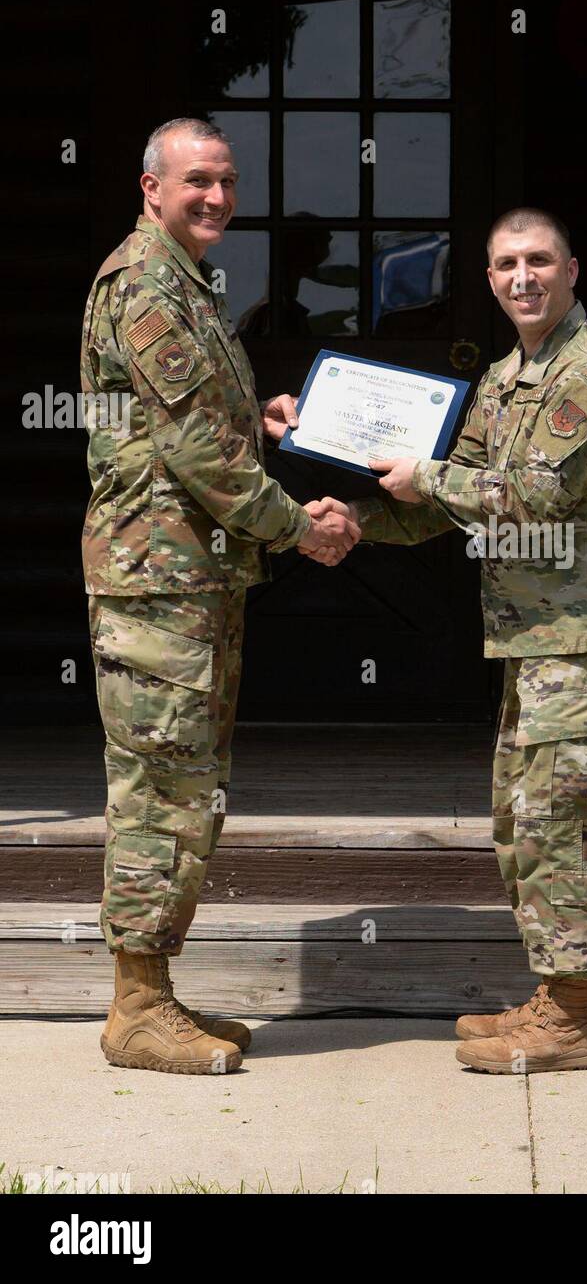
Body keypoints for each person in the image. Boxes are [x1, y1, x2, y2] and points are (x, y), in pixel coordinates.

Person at [306, 209, 587, 1073]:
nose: (522, 277)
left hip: (582, 636)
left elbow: (536, 494)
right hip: (531, 637)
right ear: (490, 278)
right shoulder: (508, 378)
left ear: (572, 270)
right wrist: (351, 500)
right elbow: (444, 496)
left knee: (563, 826)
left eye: (538, 260)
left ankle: (570, 1019)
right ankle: (550, 990)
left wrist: (423, 475)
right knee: (523, 824)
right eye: (505, 265)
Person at [80, 117, 357, 1075]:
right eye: (196, 180)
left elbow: (203, 421)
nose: (215, 197)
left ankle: (151, 990)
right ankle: (136, 1009)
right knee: (159, 788)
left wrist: (265, 415)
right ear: (150, 187)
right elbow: (195, 454)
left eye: (227, 181)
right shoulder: (146, 286)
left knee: (186, 788)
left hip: (189, 579)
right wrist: (299, 527)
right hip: (157, 583)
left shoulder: (186, 282)